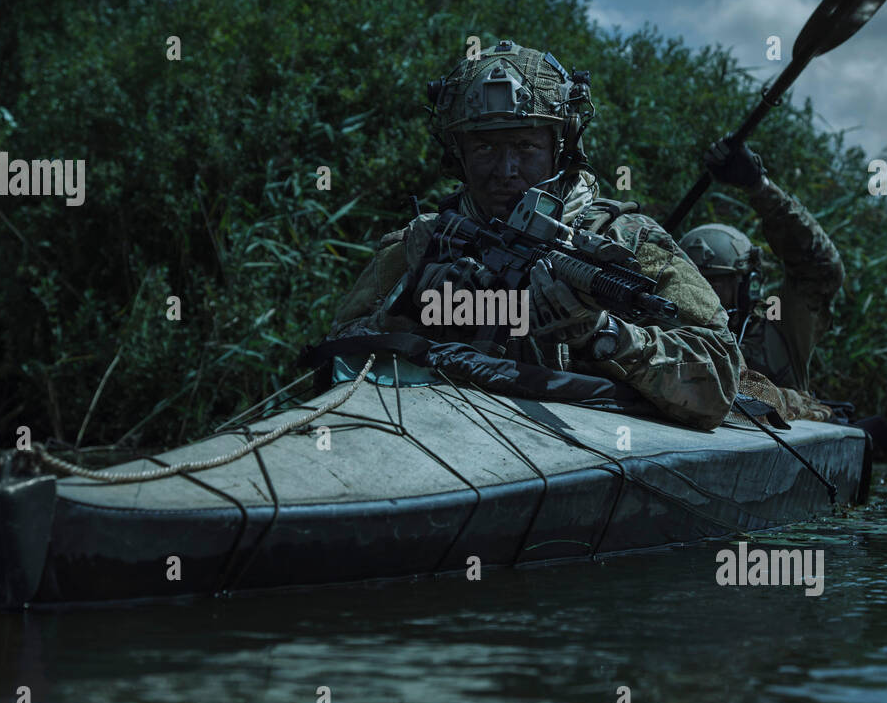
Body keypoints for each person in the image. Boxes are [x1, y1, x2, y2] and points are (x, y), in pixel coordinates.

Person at [324, 39, 742, 430]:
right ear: (459, 154)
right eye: (486, 148)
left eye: (525, 147)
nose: (506, 170)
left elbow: (719, 382)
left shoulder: (627, 242)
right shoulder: (418, 246)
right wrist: (405, 315)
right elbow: (331, 364)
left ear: (561, 146)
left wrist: (603, 335)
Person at [680, 138, 845, 416]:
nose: (703, 293)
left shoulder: (777, 325)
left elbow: (822, 268)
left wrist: (758, 187)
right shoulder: (669, 325)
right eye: (694, 281)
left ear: (748, 285)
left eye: (716, 282)